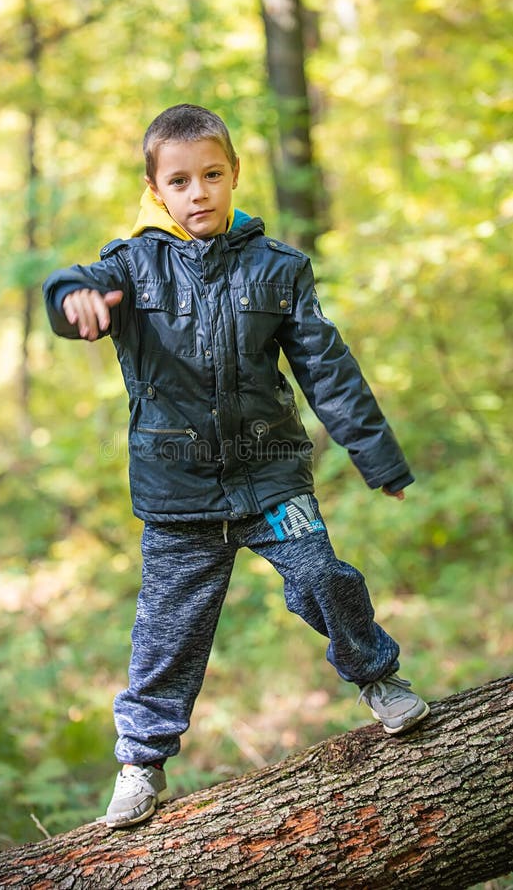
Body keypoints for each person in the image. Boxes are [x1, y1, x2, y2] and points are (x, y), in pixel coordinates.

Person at [42, 103, 430, 829]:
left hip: (272, 477)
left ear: (234, 176)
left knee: (323, 577)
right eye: (180, 180)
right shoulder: (130, 264)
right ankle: (142, 760)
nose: (198, 193)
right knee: (168, 632)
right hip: (177, 492)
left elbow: (328, 369)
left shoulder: (277, 268)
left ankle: (377, 676)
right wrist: (75, 301)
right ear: (155, 190)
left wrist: (375, 455)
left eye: (211, 175)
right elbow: (69, 287)